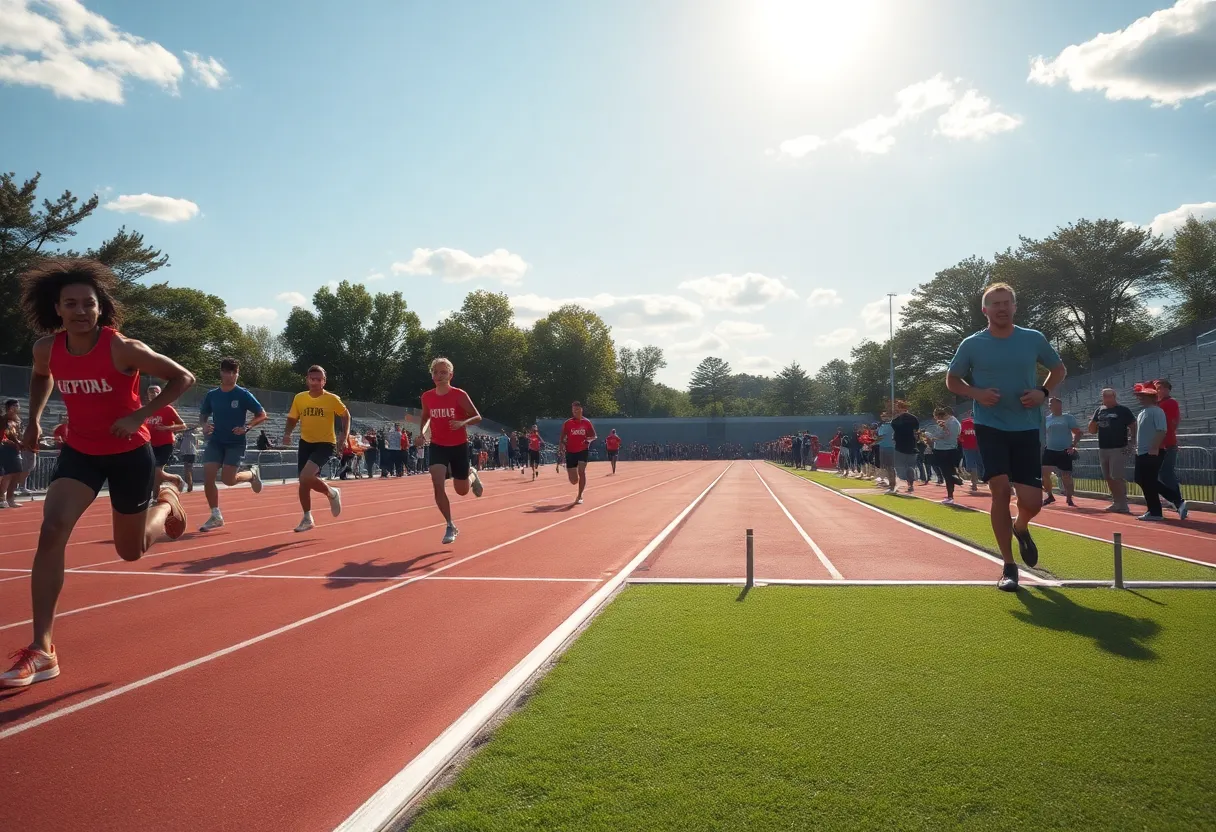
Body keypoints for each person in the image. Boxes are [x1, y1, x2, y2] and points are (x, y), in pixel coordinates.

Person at [2, 259, 192, 688]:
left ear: (99, 307)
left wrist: (140, 415)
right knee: (51, 530)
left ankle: (167, 503)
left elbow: (183, 376)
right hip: (81, 453)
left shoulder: (123, 348)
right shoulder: (46, 349)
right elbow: (39, 376)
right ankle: (42, 648)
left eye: (89, 303)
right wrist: (33, 419)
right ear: (58, 309)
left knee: (131, 551)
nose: (81, 311)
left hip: (129, 454)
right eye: (72, 304)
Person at [946, 282, 1066, 592]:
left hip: (1026, 426)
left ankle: (1021, 526)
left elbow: (1059, 370)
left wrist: (1042, 392)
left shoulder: (1033, 339)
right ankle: (1009, 566)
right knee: (999, 490)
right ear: (984, 310)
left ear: (1014, 307)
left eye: (1006, 303)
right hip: (991, 425)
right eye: (994, 304)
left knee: (1032, 502)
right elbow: (952, 380)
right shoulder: (972, 344)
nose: (1001, 308)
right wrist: (977, 393)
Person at [198, 358, 267, 532]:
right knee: (208, 475)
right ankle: (215, 515)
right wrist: (204, 425)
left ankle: (251, 474)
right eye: (226, 371)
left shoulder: (243, 394)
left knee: (228, 480)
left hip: (235, 443)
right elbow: (203, 414)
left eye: (233, 372)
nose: (229, 375)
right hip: (216, 441)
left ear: (237, 374)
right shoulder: (212, 395)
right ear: (221, 372)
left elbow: (261, 414)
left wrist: (247, 427)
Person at [421, 357, 484, 544]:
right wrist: (422, 434)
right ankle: (450, 524)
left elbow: (477, 416)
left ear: (450, 375)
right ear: (432, 375)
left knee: (462, 490)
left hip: (458, 445)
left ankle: (472, 475)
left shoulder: (459, 395)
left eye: (443, 372)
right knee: (437, 482)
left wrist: (462, 422)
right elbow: (425, 417)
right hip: (437, 445)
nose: (439, 375)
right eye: (436, 372)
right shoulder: (427, 397)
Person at [283, 365, 347, 532]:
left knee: (306, 476)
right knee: (303, 482)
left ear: (324, 381)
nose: (315, 382)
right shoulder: (300, 398)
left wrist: (343, 436)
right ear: (307, 380)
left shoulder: (332, 399)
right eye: (312, 379)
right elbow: (292, 418)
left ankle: (332, 493)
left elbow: (346, 415)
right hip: (306, 442)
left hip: (325, 443)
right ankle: (307, 518)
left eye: (319, 379)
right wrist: (288, 433)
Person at [1132, 382, 1188, 521]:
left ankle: (1172, 502)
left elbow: (1162, 430)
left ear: (1152, 397)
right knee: (1141, 479)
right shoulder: (1143, 412)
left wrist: (1154, 447)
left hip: (1152, 451)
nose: (1140, 398)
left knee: (1148, 480)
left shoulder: (1157, 411)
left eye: (1143, 396)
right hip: (1142, 451)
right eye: (1140, 396)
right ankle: (1158, 509)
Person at [1089, 388, 1136, 513]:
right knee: (1108, 477)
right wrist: (1093, 422)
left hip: (1118, 447)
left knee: (1116, 476)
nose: (1106, 398)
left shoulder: (1123, 410)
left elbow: (1133, 424)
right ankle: (1116, 502)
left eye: (1109, 396)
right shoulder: (1099, 410)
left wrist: (1132, 441)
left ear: (1114, 396)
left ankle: (1123, 503)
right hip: (1103, 447)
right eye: (1104, 396)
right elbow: (1092, 430)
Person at [144, 384, 188, 493]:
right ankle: (155, 497)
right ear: (148, 395)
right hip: (151, 445)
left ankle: (176, 479)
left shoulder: (167, 409)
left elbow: (183, 425)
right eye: (151, 393)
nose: (153, 395)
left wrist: (166, 428)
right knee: (153, 474)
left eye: (156, 392)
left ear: (160, 394)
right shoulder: (146, 410)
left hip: (165, 444)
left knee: (157, 470)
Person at [1041, 397, 1081, 507]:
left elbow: (1078, 432)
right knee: (1044, 473)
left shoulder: (1067, 418)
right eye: (1049, 404)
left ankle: (1069, 498)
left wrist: (1073, 445)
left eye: (1052, 404)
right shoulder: (1047, 419)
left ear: (1059, 405)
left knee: (1066, 476)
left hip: (1064, 450)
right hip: (1050, 449)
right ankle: (1050, 495)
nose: (1049, 406)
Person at [1154, 379, 1184, 516]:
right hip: (1159, 443)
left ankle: (1177, 501)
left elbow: (1172, 423)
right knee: (1161, 473)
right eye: (1157, 388)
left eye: (1161, 388)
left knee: (1166, 473)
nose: (1159, 391)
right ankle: (1174, 500)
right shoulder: (1157, 404)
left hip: (1166, 444)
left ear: (1167, 389)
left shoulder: (1170, 403)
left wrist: (1168, 439)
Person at [559, 401, 597, 504]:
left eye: (577, 409)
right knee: (573, 481)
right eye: (573, 410)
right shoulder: (568, 423)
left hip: (583, 450)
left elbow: (594, 436)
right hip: (570, 451)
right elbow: (562, 437)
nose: (575, 412)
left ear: (581, 410)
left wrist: (587, 440)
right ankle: (571, 470)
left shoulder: (586, 423)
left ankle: (580, 495)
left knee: (582, 472)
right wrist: (561, 446)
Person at [889, 401, 920, 493]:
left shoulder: (896, 420)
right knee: (910, 466)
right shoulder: (914, 418)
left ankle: (904, 480)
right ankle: (910, 484)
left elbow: (894, 428)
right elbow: (916, 430)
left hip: (900, 446)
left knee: (900, 467)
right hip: (912, 445)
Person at [178, 424, 199, 492]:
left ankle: (189, 483)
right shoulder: (189, 436)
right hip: (191, 453)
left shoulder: (187, 436)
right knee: (188, 469)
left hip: (188, 453)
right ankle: (189, 483)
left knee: (187, 469)